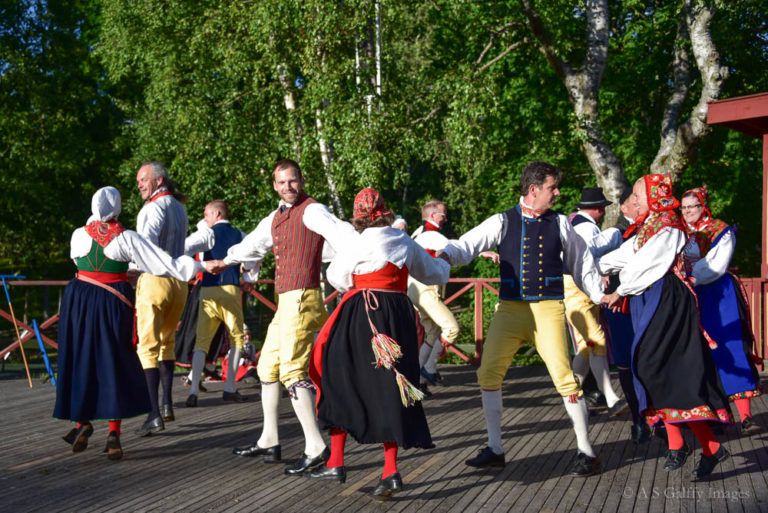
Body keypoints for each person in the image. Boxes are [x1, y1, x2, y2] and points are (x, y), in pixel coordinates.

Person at [441, 161, 606, 477]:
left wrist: (599, 295)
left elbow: (581, 262)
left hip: (548, 308)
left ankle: (587, 452)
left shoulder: (560, 223)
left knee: (564, 378)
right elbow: (465, 246)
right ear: (534, 190)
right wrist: (442, 254)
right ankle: (495, 449)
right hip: (510, 309)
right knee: (488, 373)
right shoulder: (501, 221)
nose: (556, 193)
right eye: (551, 188)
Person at [207, 159, 355, 476]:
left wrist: (349, 273)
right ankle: (269, 439)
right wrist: (225, 261)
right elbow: (253, 245)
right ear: (274, 185)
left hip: (303, 297)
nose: (288, 187)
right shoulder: (275, 217)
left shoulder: (313, 210)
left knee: (291, 370)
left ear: (301, 181)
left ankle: (315, 446)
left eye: (293, 181)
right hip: (287, 301)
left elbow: (344, 237)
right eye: (282, 182)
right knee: (267, 367)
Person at [306, 188, 450, 500]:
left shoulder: (358, 243)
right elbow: (434, 274)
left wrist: (360, 282)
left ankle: (336, 461)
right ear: (385, 212)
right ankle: (390, 470)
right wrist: (446, 261)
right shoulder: (405, 241)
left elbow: (336, 276)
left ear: (359, 216)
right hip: (397, 316)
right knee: (393, 388)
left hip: (362, 314)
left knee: (339, 378)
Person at [54, 187, 203, 460]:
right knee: (115, 362)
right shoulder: (126, 238)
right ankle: (113, 434)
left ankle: (81, 423)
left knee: (82, 359)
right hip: (112, 303)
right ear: (118, 208)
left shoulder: (78, 235)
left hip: (80, 300)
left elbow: (80, 261)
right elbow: (162, 263)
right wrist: (197, 267)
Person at [601, 174, 732, 479]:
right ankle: (706, 447)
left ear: (653, 196)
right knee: (656, 369)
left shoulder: (668, 226)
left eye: (638, 195)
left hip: (668, 300)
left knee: (654, 366)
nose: (634, 201)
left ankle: (682, 444)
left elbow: (648, 262)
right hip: (650, 299)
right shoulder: (650, 225)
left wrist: (620, 289)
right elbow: (628, 254)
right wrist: (598, 264)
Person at [681, 186, 762, 434]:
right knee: (696, 351)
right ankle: (714, 414)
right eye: (683, 208)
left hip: (717, 293)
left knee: (729, 345)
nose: (686, 212)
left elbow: (717, 264)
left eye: (691, 206)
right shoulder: (677, 232)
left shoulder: (720, 230)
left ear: (703, 206)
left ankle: (746, 416)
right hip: (688, 293)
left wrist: (690, 276)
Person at [134, 161, 191, 436]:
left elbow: (145, 246)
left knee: (147, 346)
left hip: (155, 279)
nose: (140, 185)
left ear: (159, 180)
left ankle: (153, 413)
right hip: (179, 282)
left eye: (143, 180)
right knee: (167, 342)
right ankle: (167, 403)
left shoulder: (152, 208)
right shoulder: (180, 208)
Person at [185, 200, 255, 407]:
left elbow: (186, 249)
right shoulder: (239, 235)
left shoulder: (206, 234)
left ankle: (194, 390)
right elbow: (251, 259)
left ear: (216, 213)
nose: (205, 218)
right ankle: (230, 387)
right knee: (236, 339)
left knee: (202, 342)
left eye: (206, 214)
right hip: (231, 288)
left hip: (207, 289)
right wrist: (246, 273)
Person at [564, 187, 626, 416]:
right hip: (576, 286)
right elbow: (585, 254)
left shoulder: (573, 222)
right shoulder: (587, 227)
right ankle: (611, 398)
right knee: (595, 339)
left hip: (576, 286)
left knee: (586, 345)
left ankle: (571, 392)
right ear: (598, 209)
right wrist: (615, 236)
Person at [600, 187, 650, 444]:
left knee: (649, 358)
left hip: (645, 299)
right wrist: (599, 270)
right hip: (621, 306)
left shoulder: (655, 227)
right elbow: (595, 254)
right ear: (624, 208)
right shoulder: (616, 232)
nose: (640, 204)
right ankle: (639, 420)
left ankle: (656, 418)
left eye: (641, 199)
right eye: (635, 200)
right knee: (626, 363)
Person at [407, 200, 460, 395]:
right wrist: (482, 251)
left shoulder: (417, 233)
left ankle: (417, 382)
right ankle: (428, 369)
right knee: (451, 328)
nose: (445, 218)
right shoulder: (431, 235)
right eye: (442, 214)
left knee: (432, 332)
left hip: (414, 288)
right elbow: (457, 248)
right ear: (432, 215)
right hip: (424, 289)